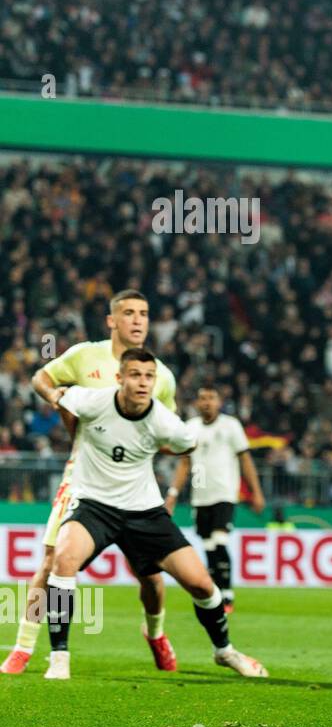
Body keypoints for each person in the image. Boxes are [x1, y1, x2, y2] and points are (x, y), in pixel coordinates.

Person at [41, 348, 267, 680]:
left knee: (202, 584)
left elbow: (186, 445)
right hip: (94, 506)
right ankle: (59, 657)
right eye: (135, 375)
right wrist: (59, 403)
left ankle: (225, 651)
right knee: (63, 559)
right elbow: (57, 397)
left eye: (149, 376)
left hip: (144, 511)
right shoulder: (92, 401)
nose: (143, 382)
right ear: (119, 378)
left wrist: (148, 449)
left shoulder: (164, 422)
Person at [3, 290, 180, 676]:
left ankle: (156, 634)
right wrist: (55, 396)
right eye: (129, 313)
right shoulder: (85, 355)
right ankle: (24, 646)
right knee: (51, 564)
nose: (138, 320)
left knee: (150, 575)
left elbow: (170, 433)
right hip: (82, 478)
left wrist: (170, 479)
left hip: (135, 487)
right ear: (111, 321)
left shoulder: (160, 375)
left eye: (144, 314)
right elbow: (41, 376)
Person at [165, 385, 266, 612]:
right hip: (200, 497)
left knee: (220, 541)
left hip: (224, 494)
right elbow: (184, 463)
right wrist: (172, 494)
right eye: (202, 398)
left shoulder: (230, 426)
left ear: (219, 402)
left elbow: (246, 460)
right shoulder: (190, 428)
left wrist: (256, 491)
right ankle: (217, 593)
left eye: (211, 398)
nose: (207, 402)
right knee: (209, 546)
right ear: (197, 403)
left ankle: (227, 595)